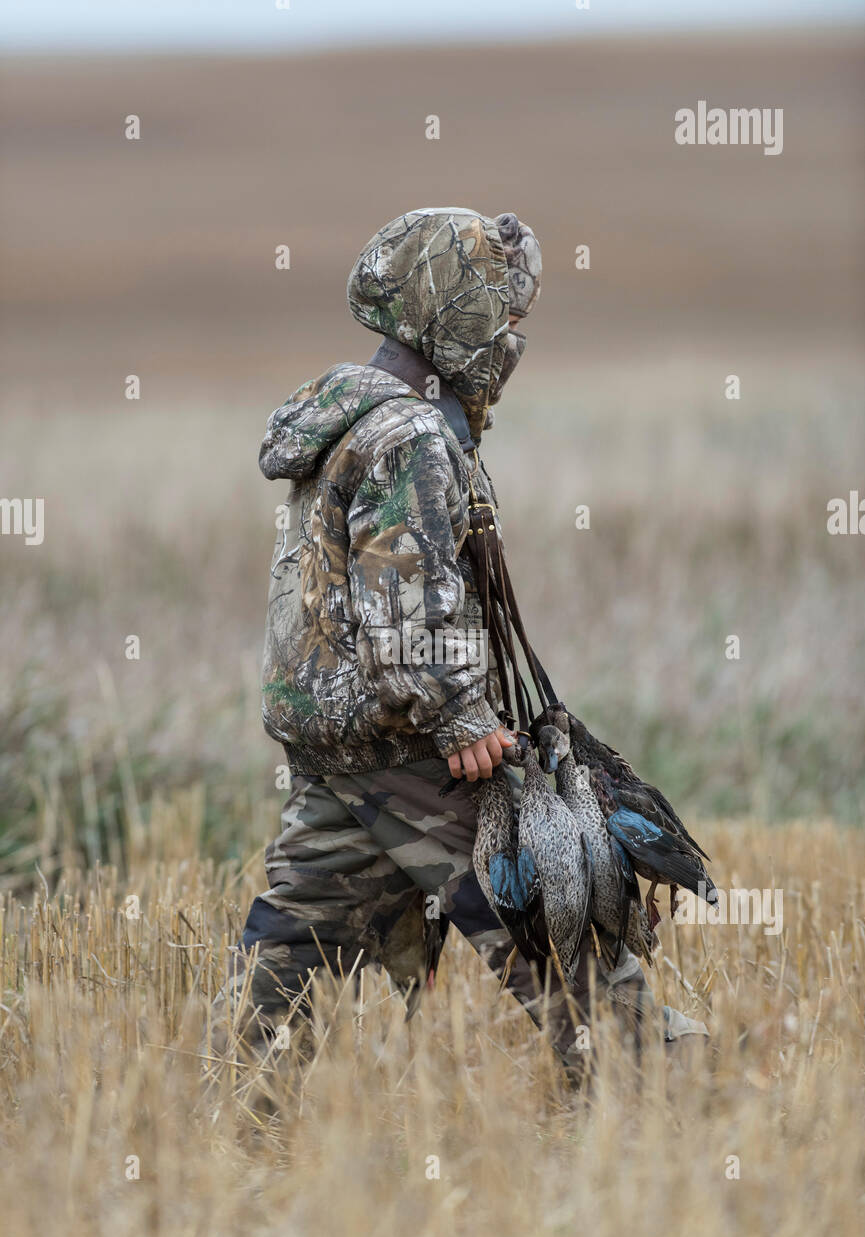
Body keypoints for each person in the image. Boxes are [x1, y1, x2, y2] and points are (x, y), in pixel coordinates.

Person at [209, 208, 706, 1095]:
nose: (514, 339)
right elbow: (403, 583)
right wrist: (458, 714)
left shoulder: (351, 421)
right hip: (408, 738)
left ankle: (235, 1113)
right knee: (545, 915)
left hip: (335, 738)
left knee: (296, 936)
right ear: (457, 318)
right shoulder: (410, 438)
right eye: (504, 317)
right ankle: (657, 1093)